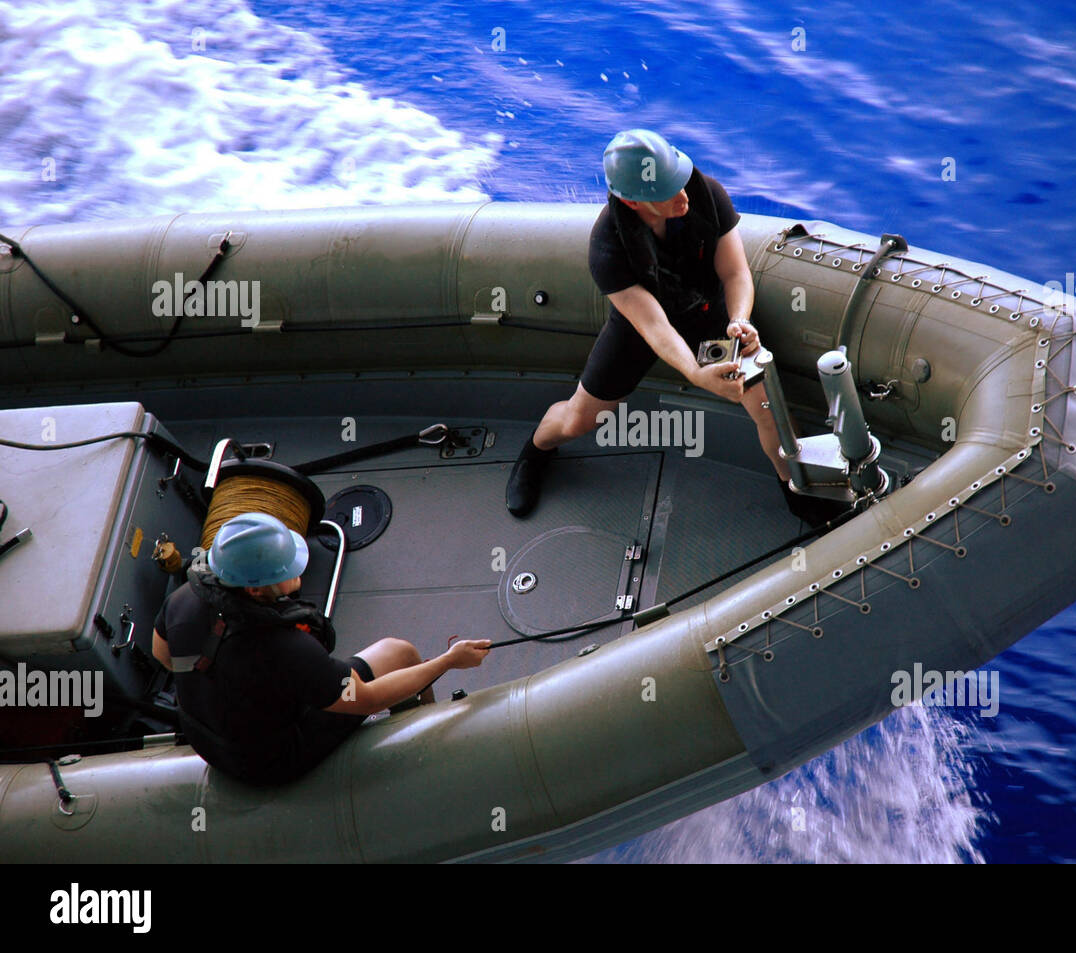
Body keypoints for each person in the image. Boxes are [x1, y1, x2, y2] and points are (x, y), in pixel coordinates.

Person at [507, 128, 828, 523]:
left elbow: (734, 273)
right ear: (632, 201)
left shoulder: (707, 194)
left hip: (710, 313)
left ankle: (796, 489)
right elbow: (654, 327)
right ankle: (536, 451)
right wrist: (697, 373)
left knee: (767, 409)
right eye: (667, 192)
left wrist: (739, 319)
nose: (684, 197)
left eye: (679, 180)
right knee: (580, 420)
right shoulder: (608, 248)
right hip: (639, 330)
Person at [151, 511, 490, 785]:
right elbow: (365, 700)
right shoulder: (287, 648)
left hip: (206, 738)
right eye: (287, 568)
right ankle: (431, 737)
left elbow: (162, 655)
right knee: (401, 654)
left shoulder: (182, 599)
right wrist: (447, 661)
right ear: (255, 591)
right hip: (266, 763)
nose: (299, 568)